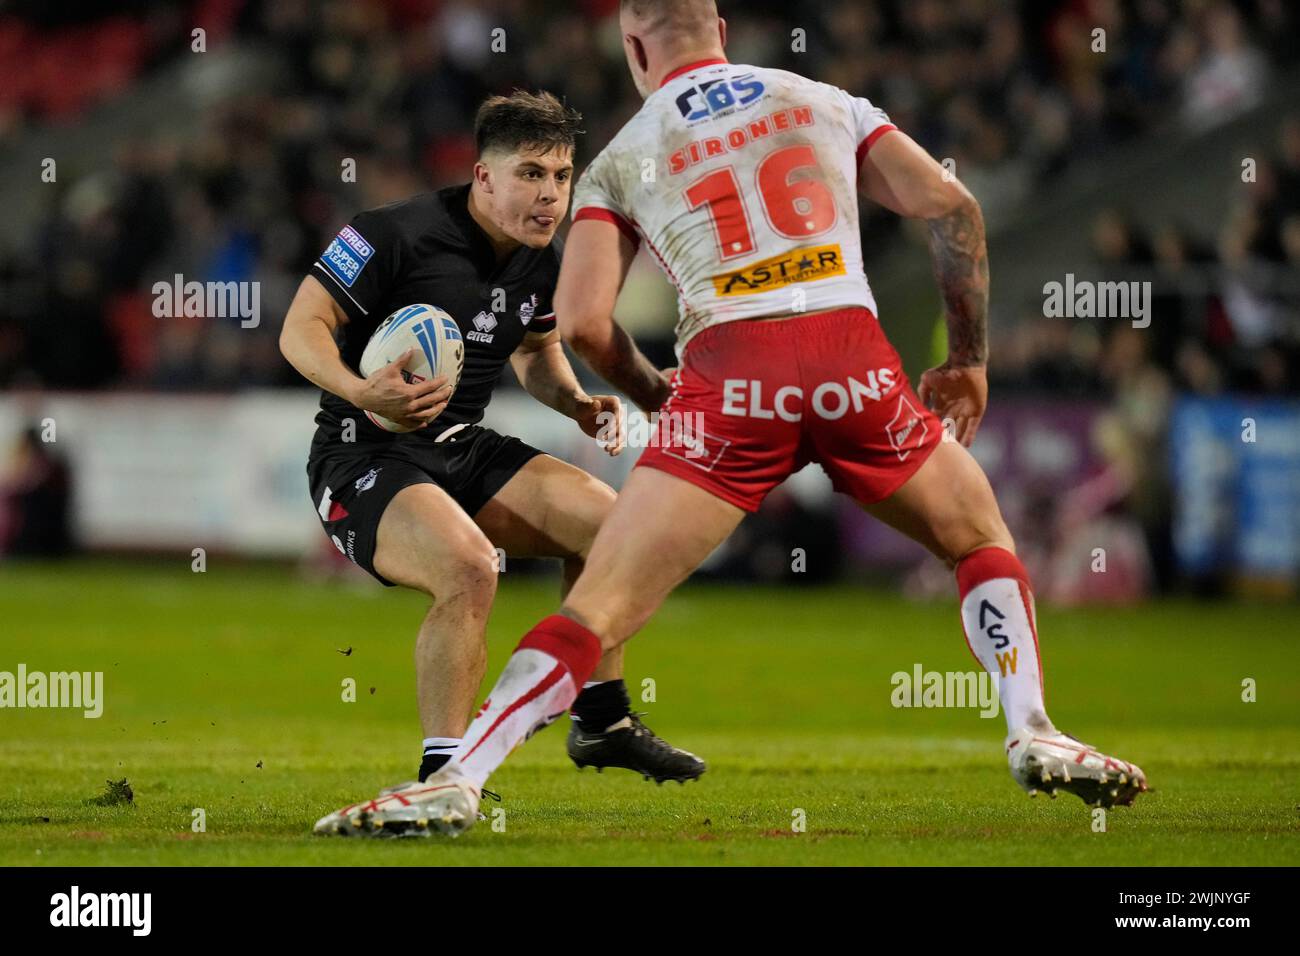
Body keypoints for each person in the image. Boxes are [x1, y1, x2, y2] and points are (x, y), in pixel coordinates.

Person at [336, 0, 1148, 836]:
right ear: (721, 32)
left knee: (598, 609)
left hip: (732, 377)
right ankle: (1033, 726)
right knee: (979, 538)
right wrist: (968, 360)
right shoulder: (824, 100)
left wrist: (657, 394)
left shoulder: (622, 158)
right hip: (849, 358)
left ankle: (458, 776)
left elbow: (580, 323)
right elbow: (952, 209)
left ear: (634, 48)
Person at [285, 91, 705, 838]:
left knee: (612, 531)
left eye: (563, 176)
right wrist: (359, 389)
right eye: (532, 174)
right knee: (470, 569)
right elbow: (300, 327)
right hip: (364, 456)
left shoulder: (543, 259)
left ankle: (601, 720)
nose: (550, 195)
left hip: (461, 448)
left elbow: (535, 349)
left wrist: (577, 402)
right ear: (483, 176)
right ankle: (443, 777)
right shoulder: (390, 234)